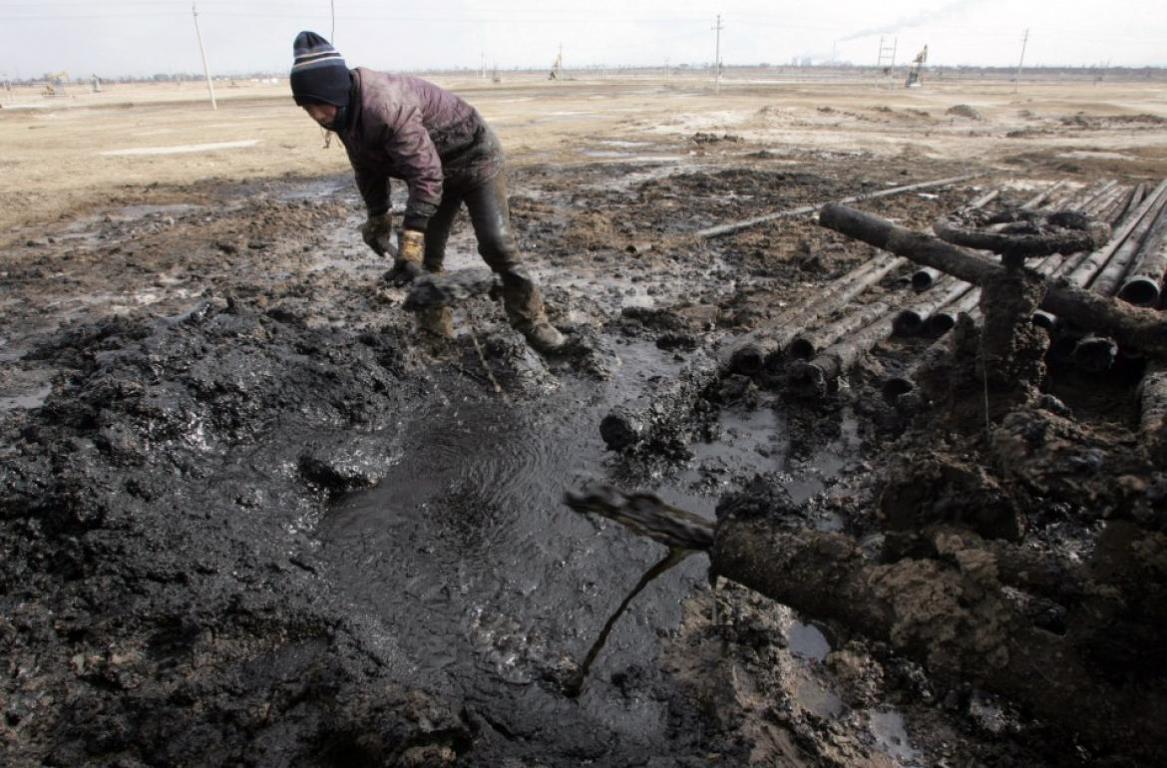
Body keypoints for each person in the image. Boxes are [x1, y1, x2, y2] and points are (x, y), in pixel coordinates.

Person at [289, 31, 564, 352]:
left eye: (321, 105)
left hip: (475, 159)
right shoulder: (343, 115)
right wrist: (378, 216)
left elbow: (426, 174)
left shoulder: (385, 106)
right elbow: (366, 168)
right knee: (427, 260)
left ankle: (532, 321)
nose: (318, 116)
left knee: (496, 243)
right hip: (435, 173)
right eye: (308, 109)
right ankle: (435, 335)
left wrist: (411, 234)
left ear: (337, 90)